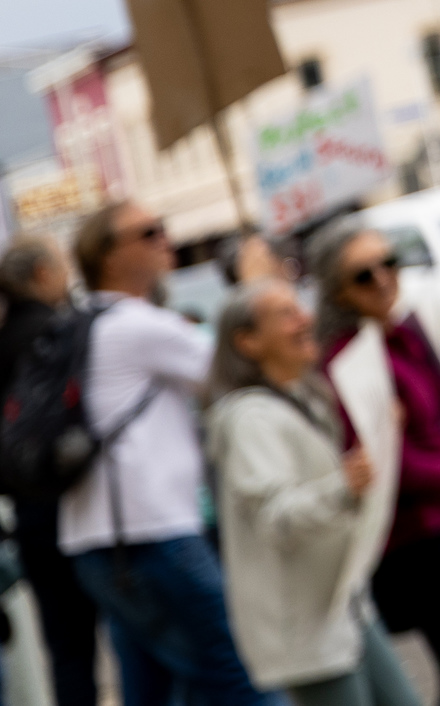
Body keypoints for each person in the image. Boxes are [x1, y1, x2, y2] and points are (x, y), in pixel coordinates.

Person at [60, 201, 270, 706]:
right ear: (109, 255)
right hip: (155, 533)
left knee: (153, 690)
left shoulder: (78, 325)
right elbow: (241, 368)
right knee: (239, 681)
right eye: (149, 232)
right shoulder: (136, 325)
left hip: (96, 541)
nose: (165, 239)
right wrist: (255, 284)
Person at [314, 224, 440, 706]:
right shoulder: (347, 361)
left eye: (390, 263)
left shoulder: (405, 334)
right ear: (339, 291)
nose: (384, 279)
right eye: (365, 275)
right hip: (406, 536)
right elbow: (383, 463)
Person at [204, 282, 419, 706]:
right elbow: (277, 517)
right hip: (304, 623)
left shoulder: (302, 399)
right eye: (285, 315)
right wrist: (345, 486)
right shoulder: (251, 420)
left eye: (299, 308)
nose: (305, 319)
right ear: (247, 341)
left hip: (342, 604)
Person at [1, 237, 101, 706]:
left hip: (29, 511)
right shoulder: (58, 336)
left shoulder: (5, 339)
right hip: (77, 499)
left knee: (66, 648)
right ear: (41, 275)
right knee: (134, 632)